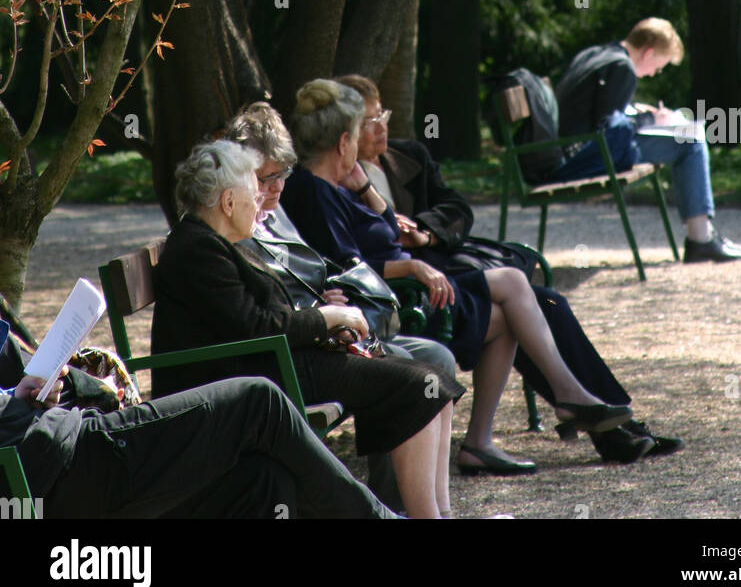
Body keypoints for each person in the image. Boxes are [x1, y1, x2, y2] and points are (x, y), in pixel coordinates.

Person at [282, 79, 633, 477]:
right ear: (345, 140)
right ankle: (566, 397)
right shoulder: (313, 191)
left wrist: (364, 186)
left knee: (512, 316)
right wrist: (412, 266)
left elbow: (393, 227)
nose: (377, 129)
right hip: (397, 303)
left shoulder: (340, 184)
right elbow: (347, 270)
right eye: (366, 125)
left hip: (413, 291)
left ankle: (484, 441)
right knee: (516, 289)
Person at [150, 139, 462, 519]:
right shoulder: (200, 251)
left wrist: (325, 329)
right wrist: (331, 318)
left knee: (433, 382)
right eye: (254, 191)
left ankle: (442, 515)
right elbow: (259, 327)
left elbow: (262, 320)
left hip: (273, 365)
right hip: (255, 381)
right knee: (420, 387)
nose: (262, 199)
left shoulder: (218, 242)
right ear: (228, 202)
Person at [220, 100, 460, 507]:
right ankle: (399, 508)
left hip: (316, 332)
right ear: (242, 177)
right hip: (294, 354)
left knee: (432, 365)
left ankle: (423, 509)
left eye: (283, 174)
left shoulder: (270, 210)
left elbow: (297, 274)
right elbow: (261, 311)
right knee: (415, 378)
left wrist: (323, 299)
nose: (277, 187)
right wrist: (319, 312)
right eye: (268, 177)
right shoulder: (241, 219)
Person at [0, 317, 397, 519]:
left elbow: (18, 367)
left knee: (260, 478)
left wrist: (63, 384)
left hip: (63, 445)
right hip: (52, 472)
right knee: (257, 401)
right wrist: (21, 402)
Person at [556, 18, 741, 262]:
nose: (654, 73)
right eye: (658, 66)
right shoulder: (623, 68)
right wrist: (652, 120)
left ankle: (705, 235)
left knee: (686, 140)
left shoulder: (599, 54)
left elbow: (600, 111)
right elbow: (608, 128)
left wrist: (638, 111)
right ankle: (701, 239)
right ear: (648, 52)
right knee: (690, 142)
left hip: (567, 151)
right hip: (585, 156)